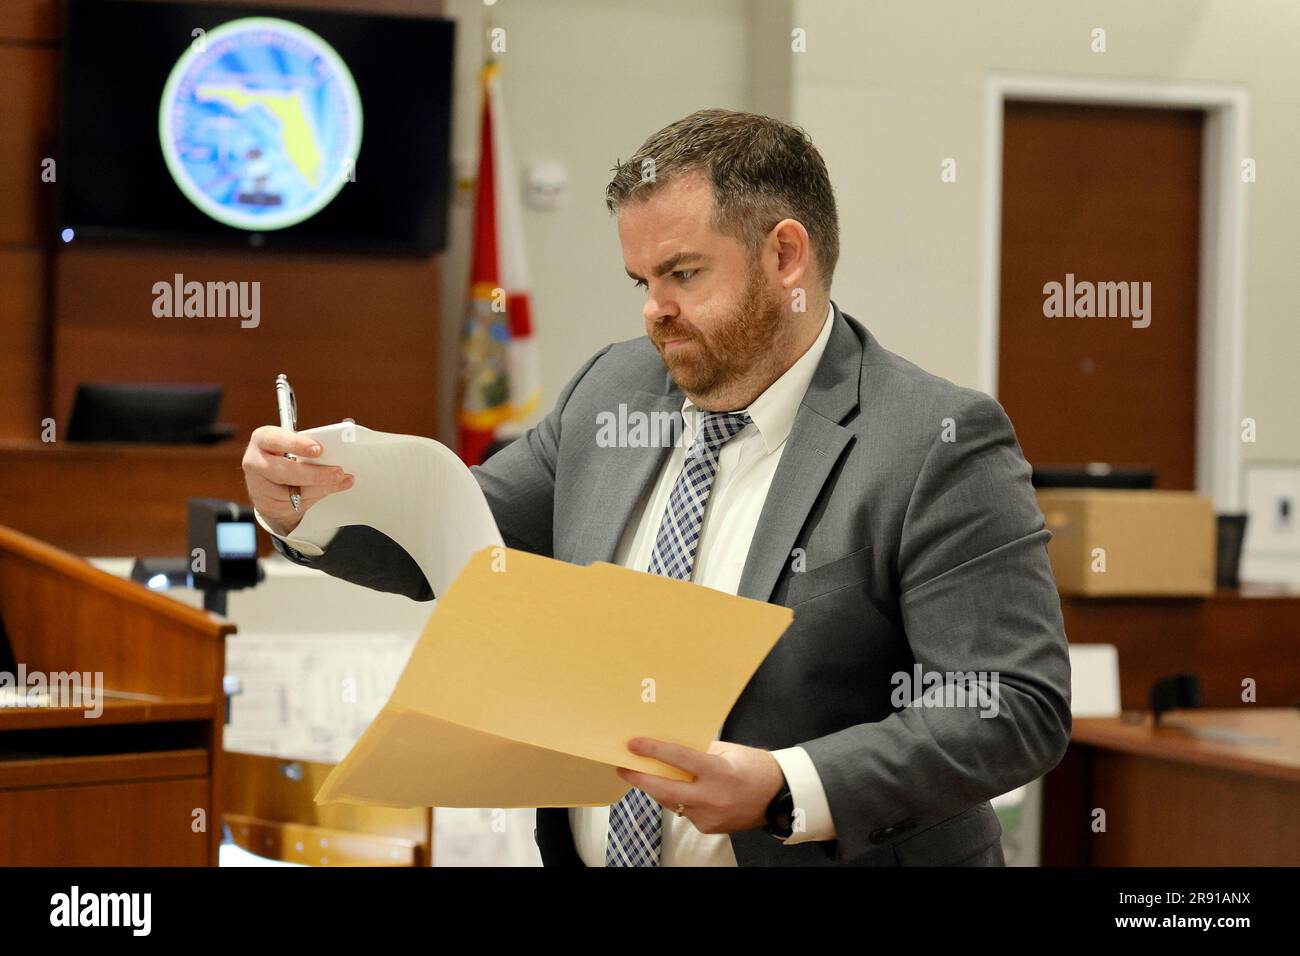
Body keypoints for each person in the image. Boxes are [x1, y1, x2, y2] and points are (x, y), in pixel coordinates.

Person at [242, 108, 1071, 867]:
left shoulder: (932, 439)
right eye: (642, 282)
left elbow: (1012, 704)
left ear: (786, 256)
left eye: (682, 274)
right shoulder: (615, 390)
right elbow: (458, 541)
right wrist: (311, 510)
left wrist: (789, 782)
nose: (654, 312)